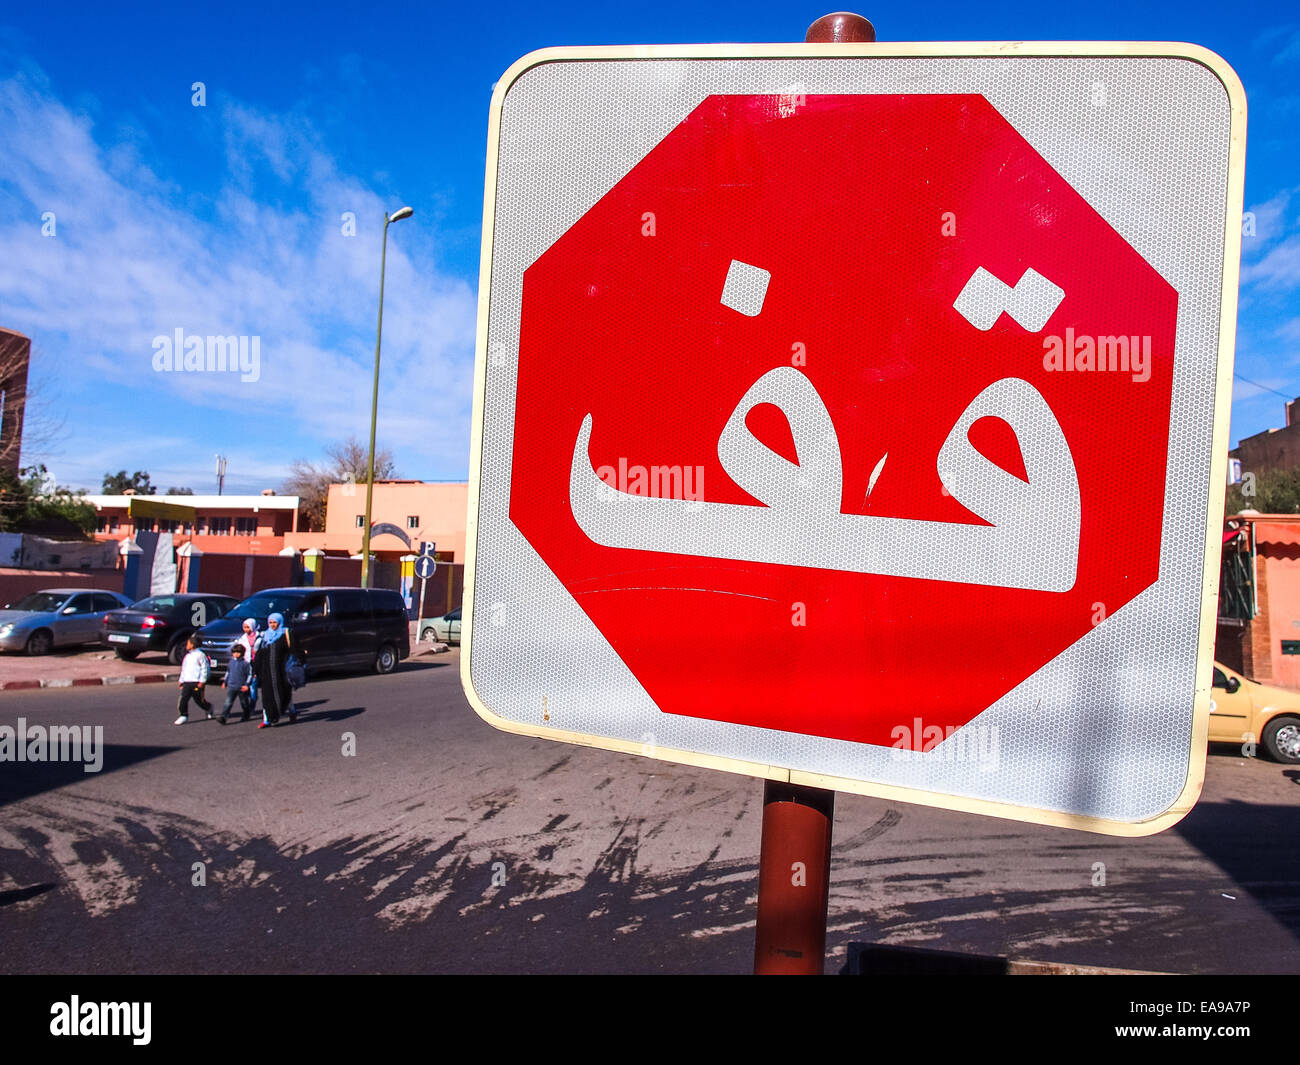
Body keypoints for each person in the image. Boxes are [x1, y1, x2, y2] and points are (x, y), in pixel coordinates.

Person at [253, 611, 295, 727]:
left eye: (275, 622)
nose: (272, 625)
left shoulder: (285, 634)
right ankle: (268, 719)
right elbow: (259, 654)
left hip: (281, 670)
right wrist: (256, 670)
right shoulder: (264, 636)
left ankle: (291, 710)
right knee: (267, 695)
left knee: (283, 693)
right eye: (270, 622)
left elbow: (293, 650)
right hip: (266, 671)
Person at [174, 634, 213, 725]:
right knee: (183, 699)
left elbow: (205, 668)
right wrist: (181, 679)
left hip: (197, 682)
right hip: (187, 682)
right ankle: (183, 715)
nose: (186, 645)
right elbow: (184, 669)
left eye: (188, 643)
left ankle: (208, 708)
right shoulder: (188, 656)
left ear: (193, 644)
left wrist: (202, 681)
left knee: (199, 700)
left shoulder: (201, 655)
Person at [217, 642, 253, 724]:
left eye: (238, 652)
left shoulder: (246, 664)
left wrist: (247, 685)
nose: (235, 654)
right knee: (228, 702)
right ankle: (224, 717)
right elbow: (228, 673)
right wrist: (225, 682)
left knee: (244, 702)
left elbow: (250, 675)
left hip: (242, 687)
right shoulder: (231, 662)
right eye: (234, 652)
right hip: (232, 686)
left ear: (242, 653)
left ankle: (246, 714)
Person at [236, 618, 260, 713]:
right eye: (244, 627)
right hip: (245, 664)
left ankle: (252, 705)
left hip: (255, 664)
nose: (246, 629)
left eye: (248, 627)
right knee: (245, 685)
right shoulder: (242, 639)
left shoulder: (259, 637)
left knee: (253, 686)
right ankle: (246, 705)